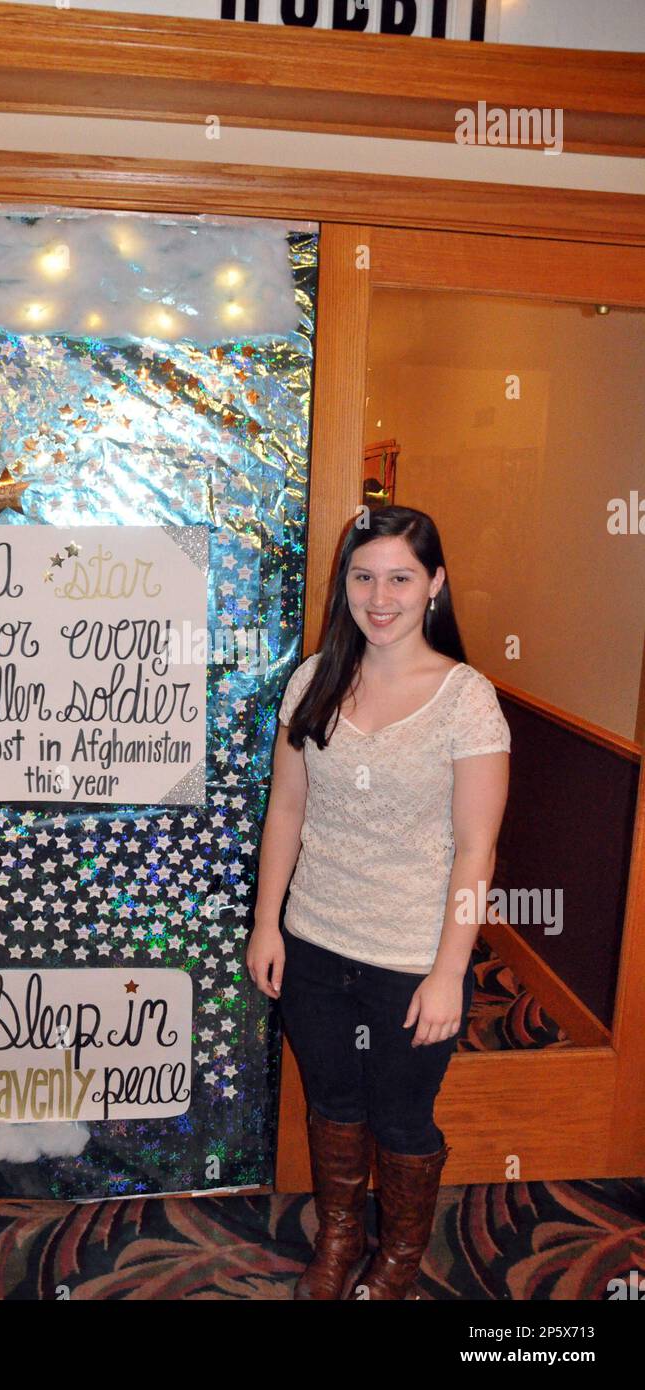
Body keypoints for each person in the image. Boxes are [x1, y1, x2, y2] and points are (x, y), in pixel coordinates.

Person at [246, 504, 510, 1301]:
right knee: (330, 1104)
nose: (379, 595)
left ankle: (396, 1257)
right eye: (363, 577)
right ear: (345, 585)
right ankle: (337, 1236)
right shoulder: (314, 678)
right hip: (315, 946)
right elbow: (285, 810)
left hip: (410, 958)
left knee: (400, 1123)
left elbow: (476, 852)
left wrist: (447, 973)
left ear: (434, 584)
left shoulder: (466, 699)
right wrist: (267, 924)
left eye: (399, 576)